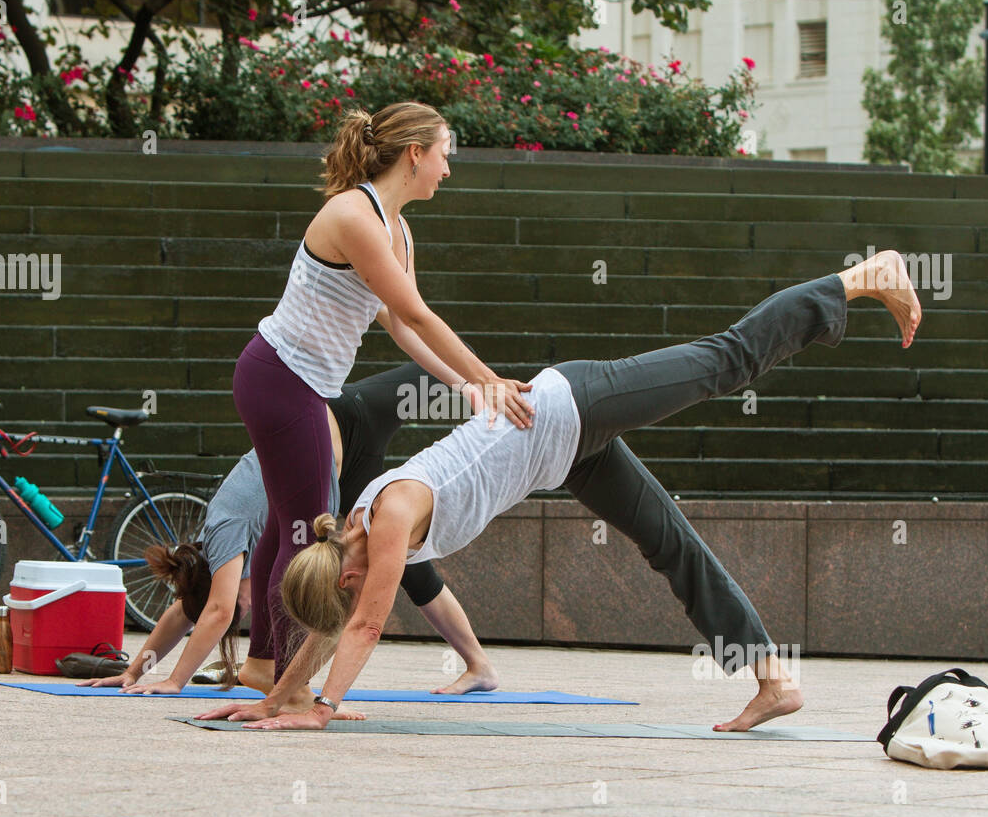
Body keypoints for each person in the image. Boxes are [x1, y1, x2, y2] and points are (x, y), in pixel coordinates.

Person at [197, 250, 923, 731]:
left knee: (721, 362)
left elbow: (358, 626)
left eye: (351, 589)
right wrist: (275, 699)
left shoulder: (385, 519)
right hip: (561, 455)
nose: (358, 595)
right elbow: (337, 619)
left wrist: (319, 709)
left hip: (569, 405)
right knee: (669, 541)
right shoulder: (353, 531)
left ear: (348, 573)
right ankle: (771, 677)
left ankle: (858, 279)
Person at [234, 102, 536, 688]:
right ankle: (282, 684)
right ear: (416, 153)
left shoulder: (396, 226)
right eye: (444, 155)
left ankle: (261, 668)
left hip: (296, 383)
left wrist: (470, 389)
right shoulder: (352, 215)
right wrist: (488, 380)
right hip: (280, 379)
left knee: (283, 526)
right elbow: (415, 315)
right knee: (304, 535)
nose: (447, 170)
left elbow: (397, 326)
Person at [80, 361, 499, 710]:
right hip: (336, 467)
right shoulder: (221, 556)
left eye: (242, 599)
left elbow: (216, 612)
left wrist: (174, 681)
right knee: (404, 561)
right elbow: (189, 610)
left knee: (427, 372)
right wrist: (135, 671)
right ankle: (479, 665)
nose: (248, 606)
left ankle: (505, 390)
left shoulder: (226, 531)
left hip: (343, 420)